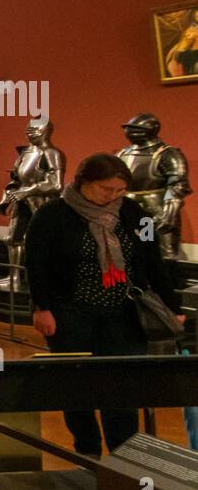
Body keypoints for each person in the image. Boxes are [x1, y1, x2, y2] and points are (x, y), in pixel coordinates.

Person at [26, 152, 185, 455]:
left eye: (119, 191)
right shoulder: (52, 215)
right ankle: (87, 451)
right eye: (105, 189)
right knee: (75, 386)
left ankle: (124, 454)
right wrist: (41, 307)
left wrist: (173, 307)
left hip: (123, 315)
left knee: (122, 386)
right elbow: (37, 264)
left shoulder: (135, 214)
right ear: (83, 182)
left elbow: (153, 262)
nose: (113, 196)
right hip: (70, 314)